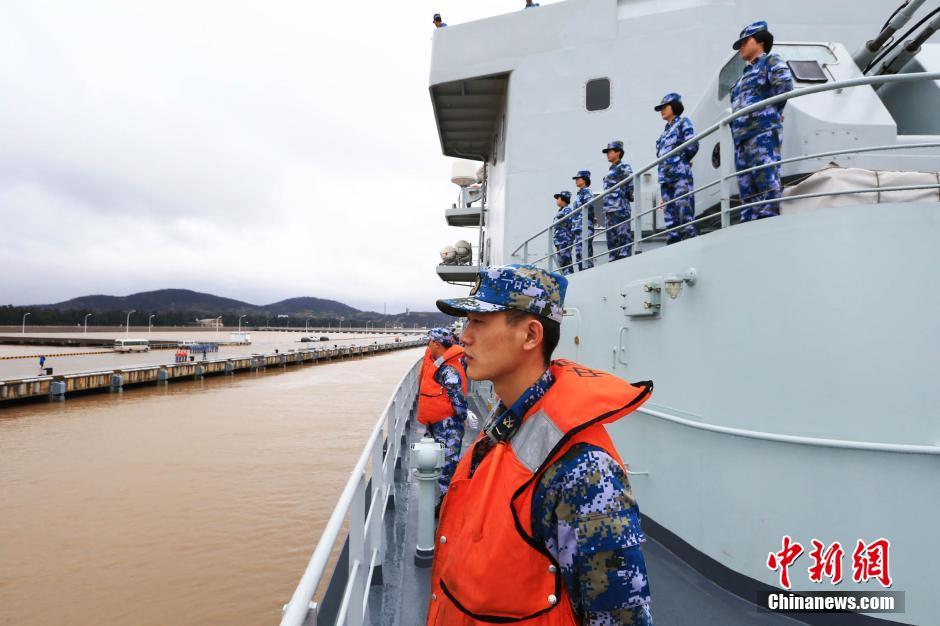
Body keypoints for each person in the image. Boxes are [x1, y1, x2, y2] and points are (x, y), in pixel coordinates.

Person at [428, 264, 655, 626]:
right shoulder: (504, 425)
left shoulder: (584, 470)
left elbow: (619, 616)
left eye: (479, 322)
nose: (464, 338)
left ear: (531, 335)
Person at [730, 20, 794, 221]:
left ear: (760, 41)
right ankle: (748, 218)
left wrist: (773, 110)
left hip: (762, 132)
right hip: (742, 138)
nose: (740, 47)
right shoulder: (742, 77)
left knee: (766, 178)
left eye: (744, 41)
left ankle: (768, 217)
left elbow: (784, 85)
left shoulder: (770, 61)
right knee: (746, 185)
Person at [416, 327, 468, 510]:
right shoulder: (439, 363)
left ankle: (449, 505)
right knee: (442, 461)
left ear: (437, 344)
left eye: (430, 341)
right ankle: (445, 500)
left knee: (448, 464)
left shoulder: (448, 370)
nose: (428, 344)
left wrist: (462, 417)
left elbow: (457, 397)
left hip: (448, 425)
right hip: (438, 423)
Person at [654, 93, 699, 243]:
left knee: (683, 213)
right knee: (670, 219)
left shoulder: (683, 123)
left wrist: (680, 161)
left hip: (680, 176)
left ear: (674, 106)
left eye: (664, 107)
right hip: (665, 180)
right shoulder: (663, 134)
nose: (662, 110)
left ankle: (688, 244)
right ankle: (674, 244)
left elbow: (692, 145)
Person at [601, 140, 635, 260]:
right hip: (609, 209)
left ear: (618, 152)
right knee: (612, 238)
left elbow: (630, 183)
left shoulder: (624, 167)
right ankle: (613, 258)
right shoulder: (610, 170)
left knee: (623, 236)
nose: (608, 154)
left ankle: (625, 259)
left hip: (620, 207)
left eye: (610, 151)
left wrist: (628, 196)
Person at [571, 170, 596, 270]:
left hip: (584, 227)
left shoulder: (586, 192)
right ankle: (583, 271)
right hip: (578, 228)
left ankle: (588, 272)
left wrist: (590, 219)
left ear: (585, 180)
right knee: (579, 256)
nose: (576, 181)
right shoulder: (579, 193)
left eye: (578, 178)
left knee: (585, 254)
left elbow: (589, 207)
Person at [551, 191, 575, 275]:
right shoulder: (561, 211)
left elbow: (570, 222)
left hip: (565, 239)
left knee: (566, 260)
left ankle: (570, 276)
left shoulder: (567, 210)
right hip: (559, 240)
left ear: (563, 199)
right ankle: (565, 276)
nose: (557, 200)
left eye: (558, 198)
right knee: (561, 262)